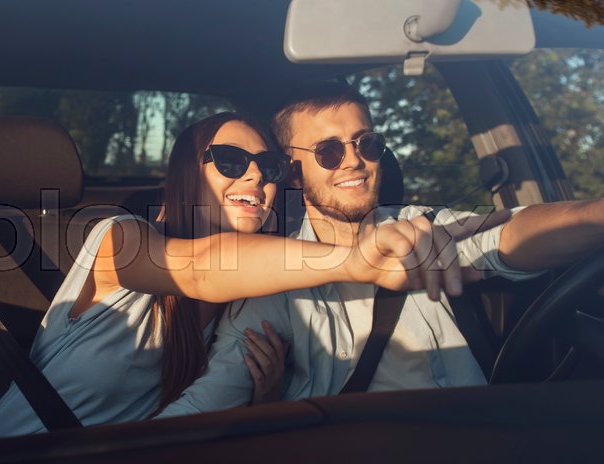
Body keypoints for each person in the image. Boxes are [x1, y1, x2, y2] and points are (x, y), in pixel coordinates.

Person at [0, 112, 496, 439]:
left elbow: (198, 420)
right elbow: (199, 270)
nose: (253, 176)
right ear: (183, 175)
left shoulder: (249, 303)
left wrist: (264, 402)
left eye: (267, 167)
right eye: (228, 159)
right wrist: (353, 259)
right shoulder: (118, 239)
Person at [156, 84, 604, 417]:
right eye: (329, 151)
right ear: (292, 174)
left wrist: (598, 214)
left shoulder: (426, 226)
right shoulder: (276, 274)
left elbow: (515, 231)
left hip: (486, 436)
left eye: (365, 144)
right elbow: (215, 395)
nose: (354, 161)